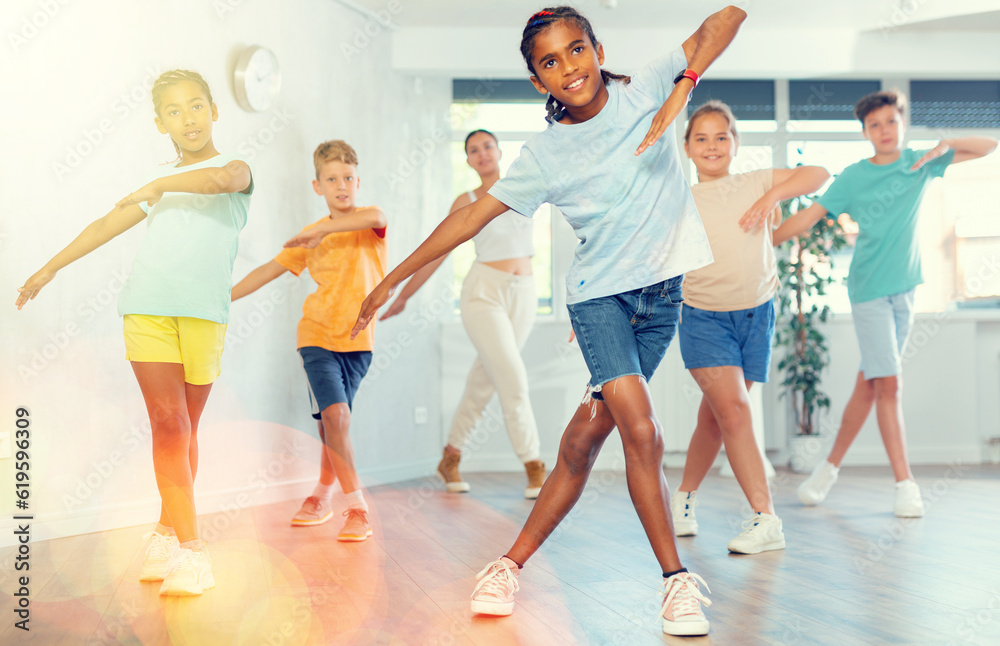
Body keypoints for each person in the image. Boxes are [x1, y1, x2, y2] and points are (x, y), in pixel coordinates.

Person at [346, 5, 746, 637]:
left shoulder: (645, 89)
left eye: (576, 49)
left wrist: (684, 90)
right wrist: (391, 278)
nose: (569, 68)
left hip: (661, 302)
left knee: (583, 441)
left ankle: (504, 566)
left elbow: (727, 17)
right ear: (539, 81)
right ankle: (675, 584)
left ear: (596, 47)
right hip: (599, 303)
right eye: (550, 62)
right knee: (643, 432)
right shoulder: (546, 154)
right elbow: (468, 220)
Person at [16, 70, 253, 596]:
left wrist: (159, 184)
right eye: (173, 111)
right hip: (146, 309)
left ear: (214, 110)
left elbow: (219, 181)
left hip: (202, 315)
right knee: (169, 426)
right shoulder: (156, 184)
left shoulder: (237, 169)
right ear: (159, 122)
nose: (187, 118)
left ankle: (168, 531)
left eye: (195, 106)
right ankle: (193, 552)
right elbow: (106, 224)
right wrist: (50, 267)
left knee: (187, 428)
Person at [774, 90, 997, 517]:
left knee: (871, 380)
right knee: (889, 383)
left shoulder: (920, 162)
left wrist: (946, 144)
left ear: (902, 124)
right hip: (870, 290)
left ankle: (827, 470)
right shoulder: (855, 177)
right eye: (875, 125)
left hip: (906, 289)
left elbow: (990, 146)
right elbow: (808, 217)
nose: (885, 131)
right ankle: (905, 484)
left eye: (892, 122)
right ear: (864, 132)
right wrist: (765, 239)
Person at [668, 100, 829, 553]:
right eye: (702, 138)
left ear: (736, 143)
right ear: (687, 147)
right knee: (735, 412)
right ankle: (766, 519)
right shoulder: (678, 197)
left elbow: (818, 173)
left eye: (722, 136)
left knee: (718, 420)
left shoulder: (754, 182)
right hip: (702, 316)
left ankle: (683, 498)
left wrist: (773, 195)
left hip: (758, 313)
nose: (712, 145)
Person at [232, 140, 387, 541]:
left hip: (359, 344)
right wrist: (222, 296)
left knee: (331, 428)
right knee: (337, 419)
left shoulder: (368, 225)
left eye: (349, 178)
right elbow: (269, 269)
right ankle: (356, 509)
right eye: (331, 179)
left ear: (358, 181)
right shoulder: (309, 237)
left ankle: (320, 495)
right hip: (317, 338)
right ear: (317, 186)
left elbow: (377, 213)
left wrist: (322, 228)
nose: (342, 186)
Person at [380, 129, 545, 499]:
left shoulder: (524, 186)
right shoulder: (466, 200)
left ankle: (450, 456)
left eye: (487, 146)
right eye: (473, 150)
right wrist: (405, 295)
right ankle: (534, 466)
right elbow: (438, 252)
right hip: (483, 293)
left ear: (500, 151)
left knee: (485, 379)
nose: (482, 153)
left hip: (525, 293)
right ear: (468, 161)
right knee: (513, 378)